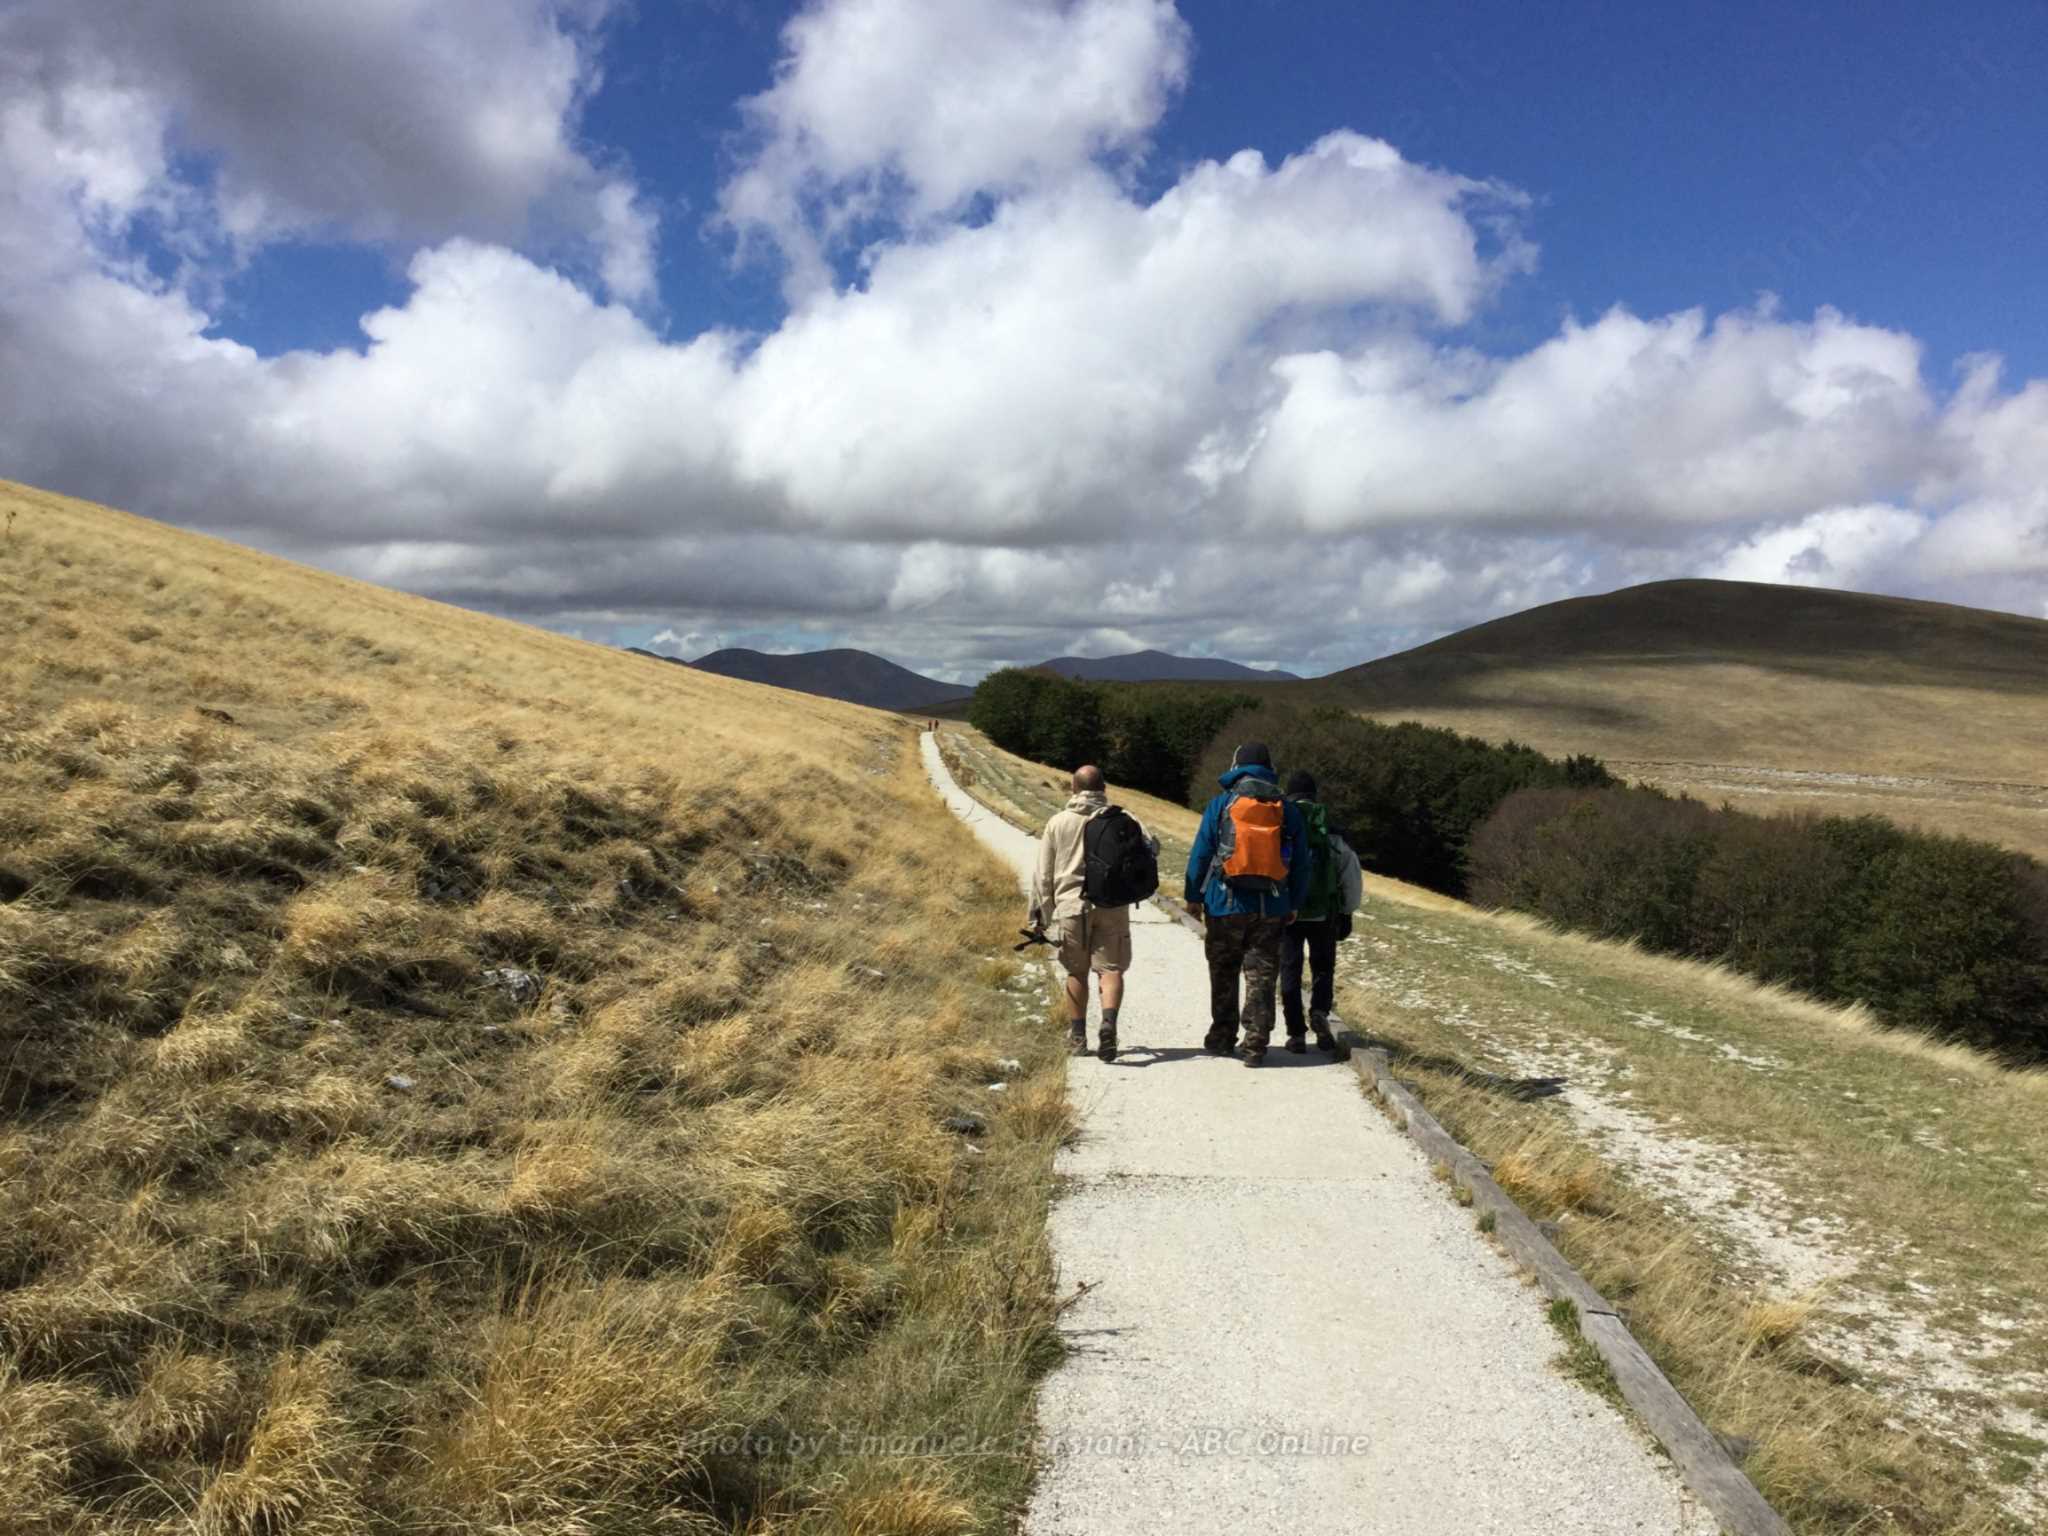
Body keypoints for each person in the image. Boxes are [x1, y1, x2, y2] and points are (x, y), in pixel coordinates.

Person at [1184, 742, 1312, 1066]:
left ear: (1236, 764)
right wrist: (1293, 901)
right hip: (1271, 906)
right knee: (1262, 975)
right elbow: (1301, 864)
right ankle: (1256, 1043)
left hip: (1224, 904)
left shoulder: (1222, 804)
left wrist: (1193, 896)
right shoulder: (1287, 809)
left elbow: (1201, 854)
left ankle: (1222, 1036)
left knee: (1224, 971)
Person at [1027, 765, 1151, 1061]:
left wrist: (1039, 919)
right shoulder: (1124, 818)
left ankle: (1078, 1037)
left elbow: (1043, 875)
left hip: (1072, 906)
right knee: (1111, 969)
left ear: (1073, 788)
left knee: (1076, 971)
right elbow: (1151, 848)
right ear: (1103, 789)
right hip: (1113, 905)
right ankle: (1109, 1024)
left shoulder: (1058, 823)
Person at [1278, 771, 1353, 1058]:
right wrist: (1346, 912)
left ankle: (1296, 1032)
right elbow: (1350, 875)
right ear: (1314, 795)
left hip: (1288, 913)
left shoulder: (1283, 824)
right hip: (1325, 914)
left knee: (1290, 971)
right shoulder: (1330, 832)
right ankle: (1320, 1015)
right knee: (1323, 968)